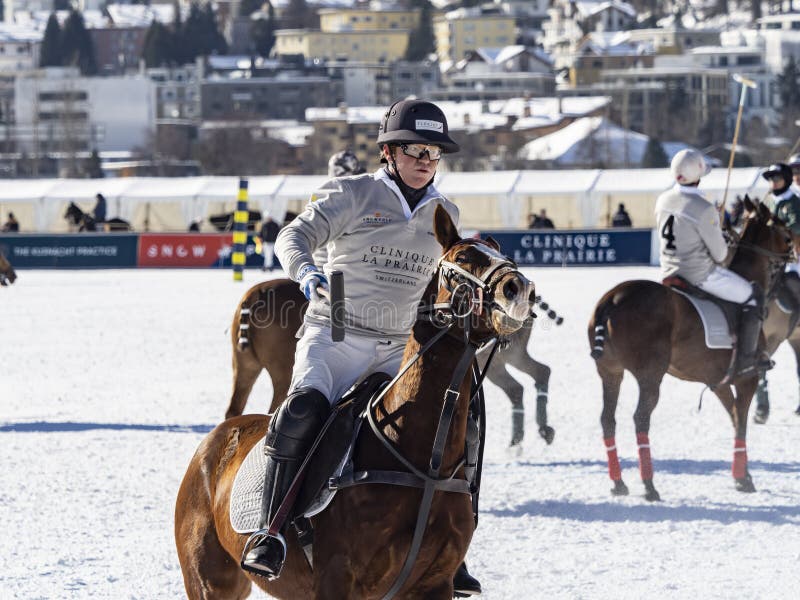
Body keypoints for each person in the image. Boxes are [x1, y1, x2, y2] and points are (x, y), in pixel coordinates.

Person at [241, 99, 482, 595]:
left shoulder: (445, 213)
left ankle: (450, 551)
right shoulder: (354, 193)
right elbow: (294, 235)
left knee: (464, 417)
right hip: (338, 337)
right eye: (416, 150)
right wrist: (306, 272)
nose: (426, 160)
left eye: (435, 153)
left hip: (402, 352)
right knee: (302, 410)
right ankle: (271, 532)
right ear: (390, 151)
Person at [655, 149, 770, 375]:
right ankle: (747, 360)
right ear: (698, 175)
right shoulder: (704, 207)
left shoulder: (663, 199)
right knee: (754, 296)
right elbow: (719, 255)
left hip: (668, 271)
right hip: (698, 275)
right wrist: (716, 229)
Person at [762, 163, 800, 313]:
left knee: (790, 276)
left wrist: (777, 231)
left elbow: (796, 224)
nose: (774, 182)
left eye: (777, 178)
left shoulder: (793, 202)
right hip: (770, 250)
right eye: (771, 179)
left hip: (792, 250)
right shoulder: (768, 200)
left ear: (786, 180)